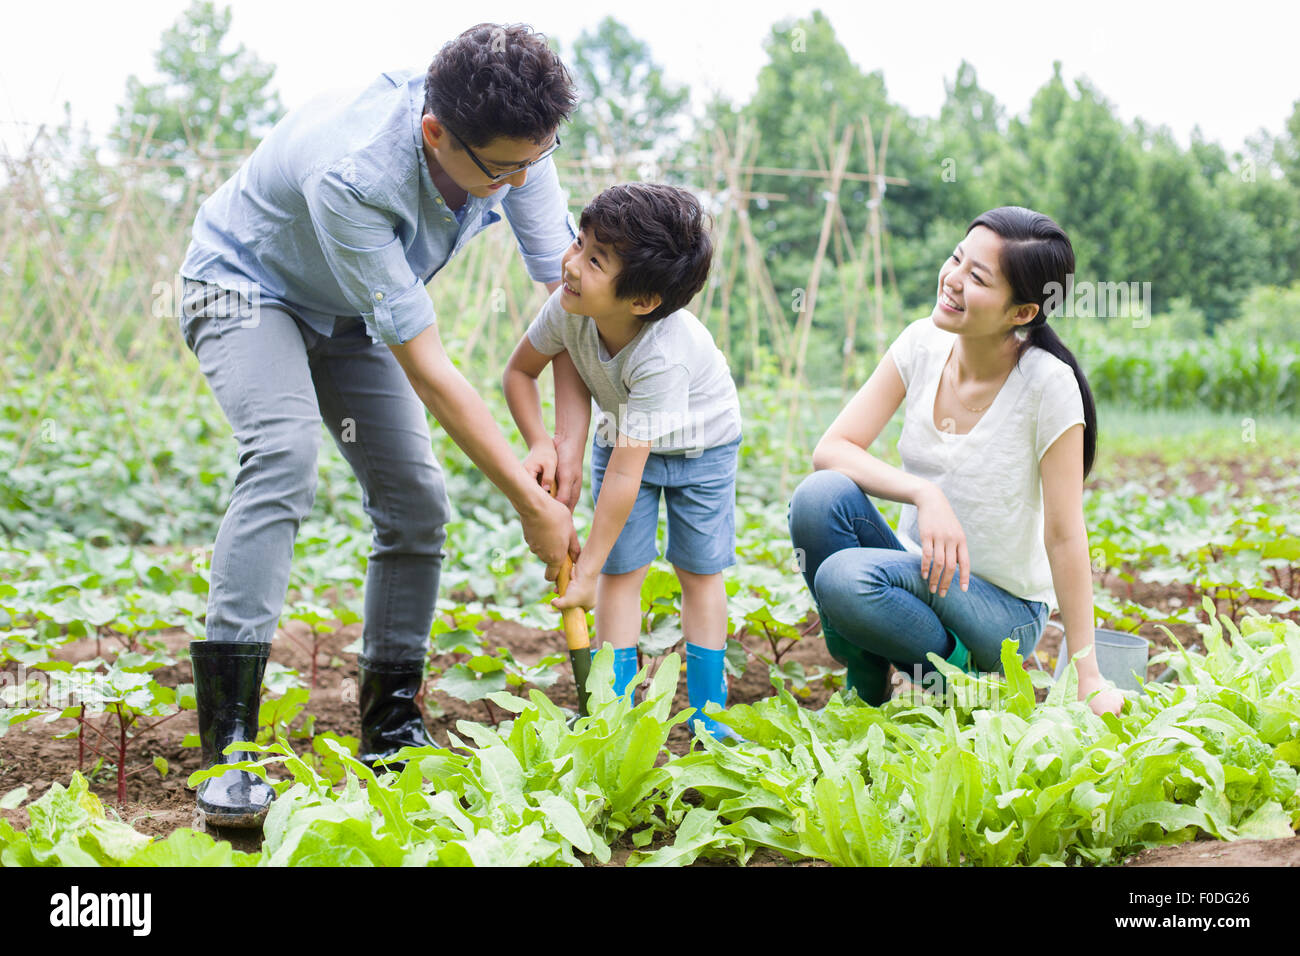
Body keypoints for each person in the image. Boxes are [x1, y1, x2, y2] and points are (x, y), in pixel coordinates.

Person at [177, 23, 591, 827]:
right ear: (436, 134)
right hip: (244, 286)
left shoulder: (519, 151)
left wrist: (559, 443)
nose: (516, 185)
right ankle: (229, 752)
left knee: (417, 502)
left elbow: (566, 298)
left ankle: (391, 728)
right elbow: (431, 371)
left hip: (348, 309)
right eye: (499, 170)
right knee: (284, 453)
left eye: (531, 163)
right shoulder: (356, 172)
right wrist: (529, 504)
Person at [788, 206, 1123, 717]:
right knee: (818, 498)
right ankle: (869, 686)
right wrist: (925, 493)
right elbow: (832, 450)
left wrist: (1089, 673)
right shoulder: (922, 343)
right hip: (919, 568)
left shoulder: (1048, 386)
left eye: (978, 277)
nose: (953, 280)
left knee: (843, 578)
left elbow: (1064, 533)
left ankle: (958, 680)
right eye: (957, 259)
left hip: (1001, 613)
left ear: (1022, 312)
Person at [502, 183, 745, 740]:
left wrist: (580, 573)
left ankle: (711, 718)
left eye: (593, 259)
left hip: (700, 448)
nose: (569, 264)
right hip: (624, 435)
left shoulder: (663, 355)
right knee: (620, 570)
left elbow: (626, 476)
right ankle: (613, 714)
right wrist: (541, 441)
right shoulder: (569, 308)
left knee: (699, 572)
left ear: (642, 301)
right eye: (578, 244)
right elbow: (519, 373)